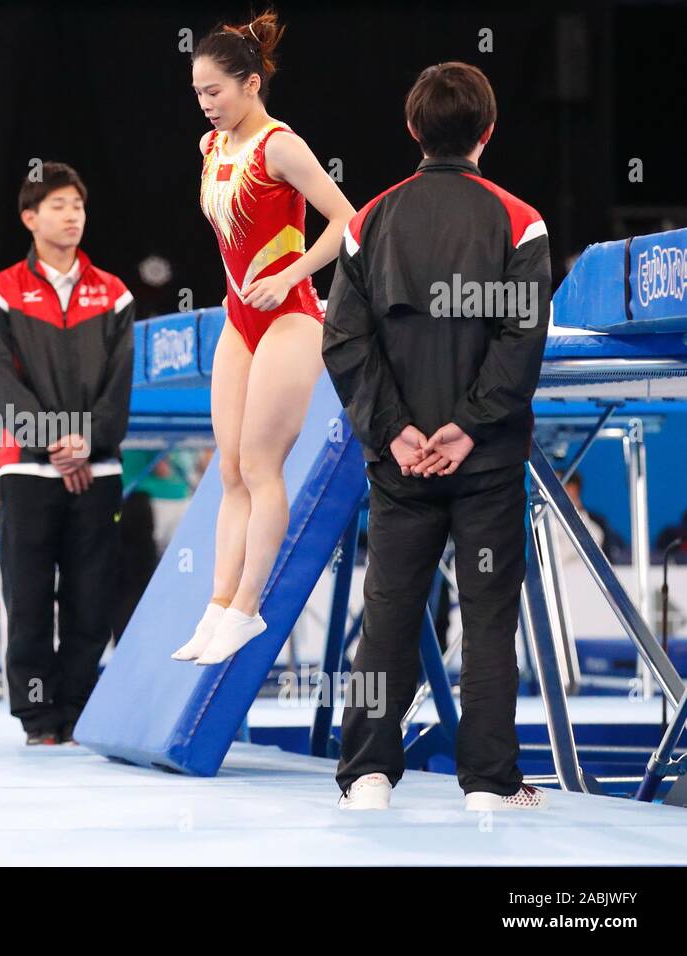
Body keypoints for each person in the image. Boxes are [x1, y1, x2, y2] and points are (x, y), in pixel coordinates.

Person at [323, 63, 551, 811]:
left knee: (388, 608)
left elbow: (345, 343)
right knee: (488, 614)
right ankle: (488, 784)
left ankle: (366, 775)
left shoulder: (367, 222)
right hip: (483, 461)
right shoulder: (520, 220)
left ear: (414, 130)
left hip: (402, 465)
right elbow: (522, 341)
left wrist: (397, 434)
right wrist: (468, 427)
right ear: (488, 132)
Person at [171, 11, 355, 665]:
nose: (205, 103)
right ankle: (218, 606)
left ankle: (249, 608)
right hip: (238, 319)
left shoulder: (281, 145)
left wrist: (296, 274)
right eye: (197, 93)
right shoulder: (210, 148)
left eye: (214, 91)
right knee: (227, 470)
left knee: (260, 463)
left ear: (250, 84)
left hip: (291, 316)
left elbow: (346, 221)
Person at [0, 161, 134, 745]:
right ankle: (39, 718)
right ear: (30, 218)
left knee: (92, 599)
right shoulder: (1, 292)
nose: (72, 216)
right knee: (31, 596)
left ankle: (80, 710)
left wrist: (85, 443)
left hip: (99, 466)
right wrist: (54, 440)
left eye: (79, 206)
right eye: (59, 206)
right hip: (27, 468)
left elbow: (119, 385)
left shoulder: (114, 294)